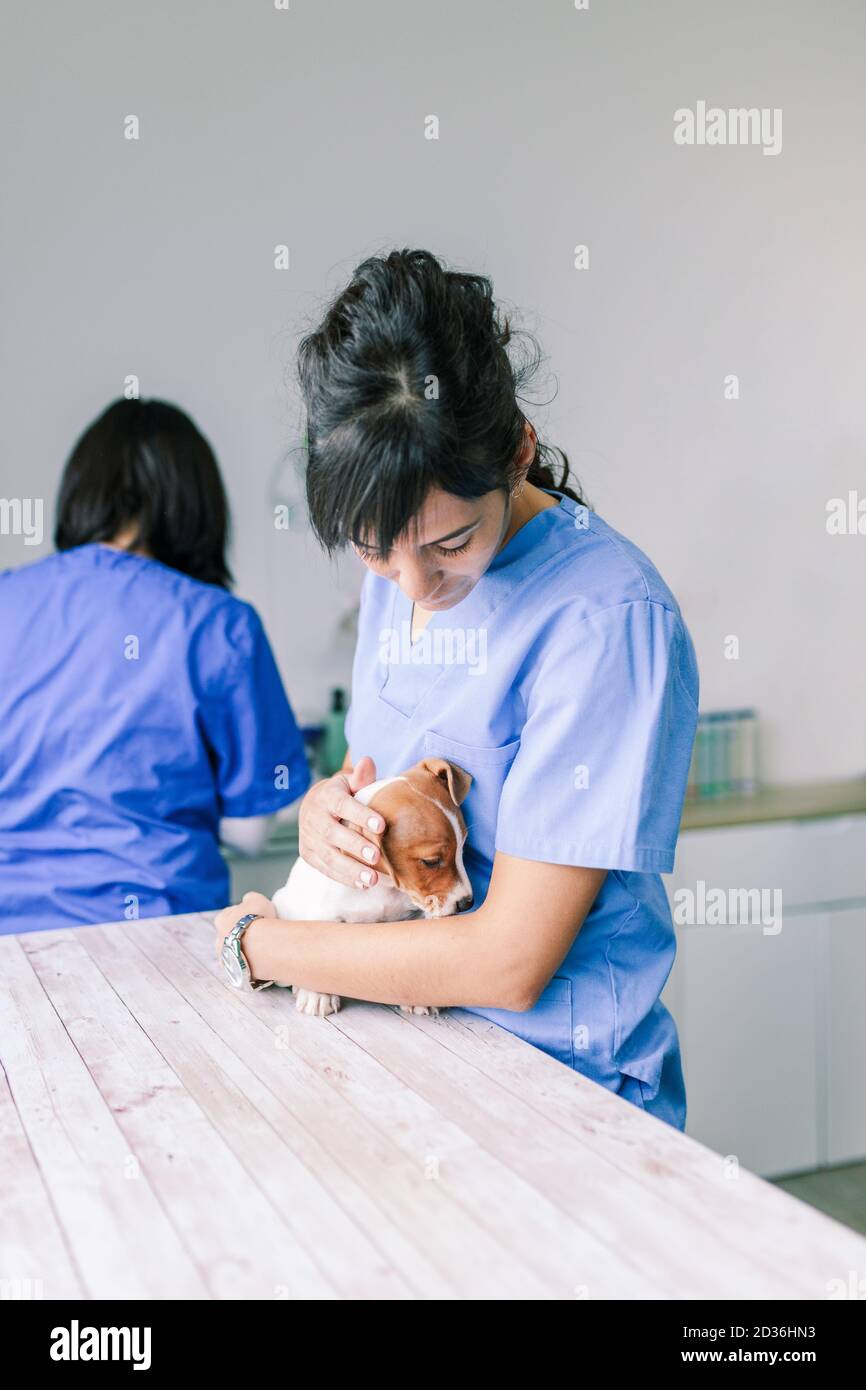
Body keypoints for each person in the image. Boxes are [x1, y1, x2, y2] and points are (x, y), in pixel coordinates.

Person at [215, 249, 699, 1130]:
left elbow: (510, 963)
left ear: (518, 452)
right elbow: (386, 785)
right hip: (406, 1064)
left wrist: (265, 944)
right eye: (374, 549)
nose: (412, 586)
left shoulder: (604, 622)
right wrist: (331, 822)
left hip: (559, 1104)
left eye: (449, 546)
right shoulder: (400, 576)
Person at [0, 398, 309, 933]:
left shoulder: (9, 599)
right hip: (155, 939)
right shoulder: (219, 622)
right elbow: (251, 831)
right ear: (197, 504)